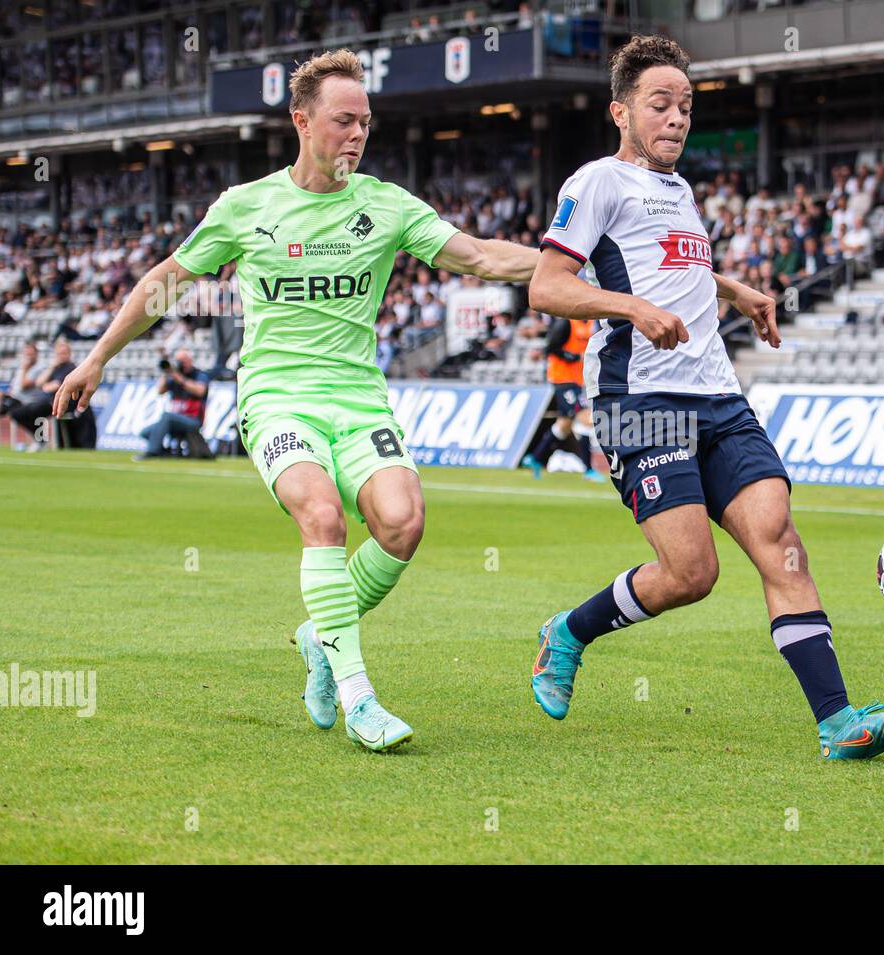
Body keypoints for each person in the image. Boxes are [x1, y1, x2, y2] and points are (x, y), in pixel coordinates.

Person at [53, 49, 538, 752]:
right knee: (321, 514)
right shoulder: (246, 207)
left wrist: (572, 258)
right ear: (301, 120)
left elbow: (485, 257)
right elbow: (167, 280)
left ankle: (320, 632)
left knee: (402, 524)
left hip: (358, 397)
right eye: (343, 121)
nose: (357, 135)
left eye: (365, 123)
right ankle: (358, 696)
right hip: (277, 397)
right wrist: (97, 357)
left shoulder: (386, 205)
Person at [525, 35, 884, 761]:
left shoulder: (680, 191)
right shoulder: (598, 183)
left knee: (780, 539)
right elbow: (547, 286)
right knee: (692, 574)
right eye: (660, 104)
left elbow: (673, 270)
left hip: (717, 394)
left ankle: (838, 721)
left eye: (686, 106)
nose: (677, 118)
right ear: (621, 111)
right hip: (642, 398)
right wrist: (629, 309)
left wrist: (733, 287)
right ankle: (569, 632)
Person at [521, 314, 606, 482]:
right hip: (562, 379)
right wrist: (574, 357)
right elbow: (551, 348)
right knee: (584, 418)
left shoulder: (590, 321)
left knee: (564, 425)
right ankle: (588, 470)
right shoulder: (566, 323)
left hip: (576, 379)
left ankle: (535, 458)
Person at [135, 348, 212, 460]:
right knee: (145, 432)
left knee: (166, 416)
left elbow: (200, 391)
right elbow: (160, 391)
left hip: (193, 419)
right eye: (178, 361)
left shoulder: (199, 375)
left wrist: (179, 378)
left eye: (183, 361)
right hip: (175, 419)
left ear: (189, 361)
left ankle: (152, 452)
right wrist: (166, 372)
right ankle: (164, 451)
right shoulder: (174, 376)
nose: (181, 364)